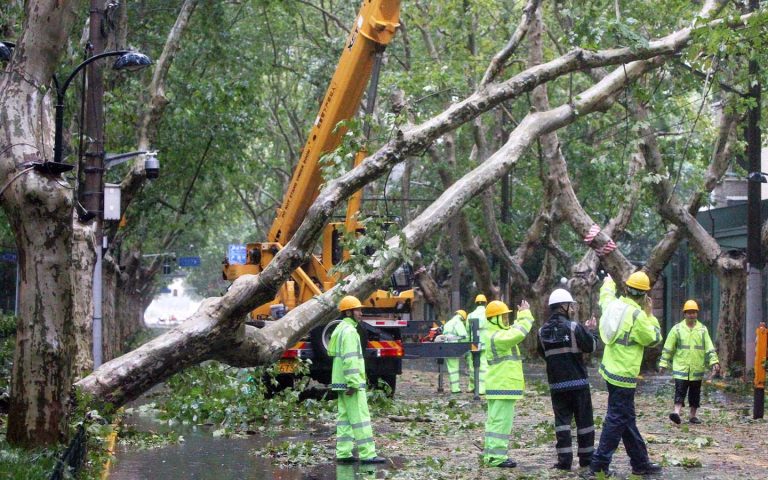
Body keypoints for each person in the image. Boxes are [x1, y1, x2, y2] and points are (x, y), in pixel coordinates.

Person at [589, 272, 663, 477]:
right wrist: (650, 314)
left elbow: (605, 295)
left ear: (626, 289)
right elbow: (654, 338)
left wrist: (609, 281)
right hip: (624, 375)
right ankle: (598, 466)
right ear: (644, 295)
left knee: (626, 418)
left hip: (610, 370)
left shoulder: (613, 305)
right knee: (616, 419)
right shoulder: (637, 316)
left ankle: (640, 463)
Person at [537, 288, 598, 471]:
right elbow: (591, 346)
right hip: (578, 384)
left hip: (557, 385)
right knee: (584, 422)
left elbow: (543, 354)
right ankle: (586, 459)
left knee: (562, 424)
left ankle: (564, 461)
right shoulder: (574, 327)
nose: (572, 308)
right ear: (563, 306)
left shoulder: (541, 332)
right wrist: (591, 331)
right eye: (571, 305)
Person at [329, 295, 386, 464]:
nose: (361, 313)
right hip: (350, 383)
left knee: (344, 419)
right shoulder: (350, 332)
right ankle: (368, 454)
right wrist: (354, 383)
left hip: (341, 382)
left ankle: (343, 453)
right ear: (348, 312)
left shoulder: (340, 329)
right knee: (361, 418)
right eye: (358, 310)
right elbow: (350, 359)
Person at [482, 299, 535, 468]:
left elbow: (513, 331)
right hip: (502, 386)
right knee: (501, 423)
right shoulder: (496, 336)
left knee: (495, 421)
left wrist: (519, 318)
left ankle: (491, 455)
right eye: (503, 317)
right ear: (494, 319)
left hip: (500, 385)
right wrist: (525, 315)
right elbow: (518, 333)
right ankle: (497, 458)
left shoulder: (495, 333)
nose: (506, 320)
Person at [658, 299, 720, 425]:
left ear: (697, 314)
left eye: (694, 312)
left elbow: (709, 346)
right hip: (681, 367)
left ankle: (693, 416)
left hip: (697, 368)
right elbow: (668, 347)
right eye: (689, 312)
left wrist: (714, 361)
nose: (692, 315)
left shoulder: (702, 330)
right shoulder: (677, 329)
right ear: (684, 314)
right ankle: (676, 413)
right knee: (680, 390)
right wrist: (663, 363)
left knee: (695, 393)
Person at [442, 309, 469, 393]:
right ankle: (455, 389)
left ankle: (454, 388)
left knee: (451, 368)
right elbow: (464, 336)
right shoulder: (458, 323)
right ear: (463, 318)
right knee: (454, 368)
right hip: (453, 347)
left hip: (445, 346)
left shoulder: (448, 322)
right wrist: (466, 350)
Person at [467, 294, 488, 395]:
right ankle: (482, 389)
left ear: (475, 303)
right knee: (484, 365)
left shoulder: (470, 315)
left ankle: (472, 387)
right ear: (485, 303)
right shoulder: (488, 314)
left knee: (473, 365)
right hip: (486, 343)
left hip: (474, 343)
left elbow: (467, 330)